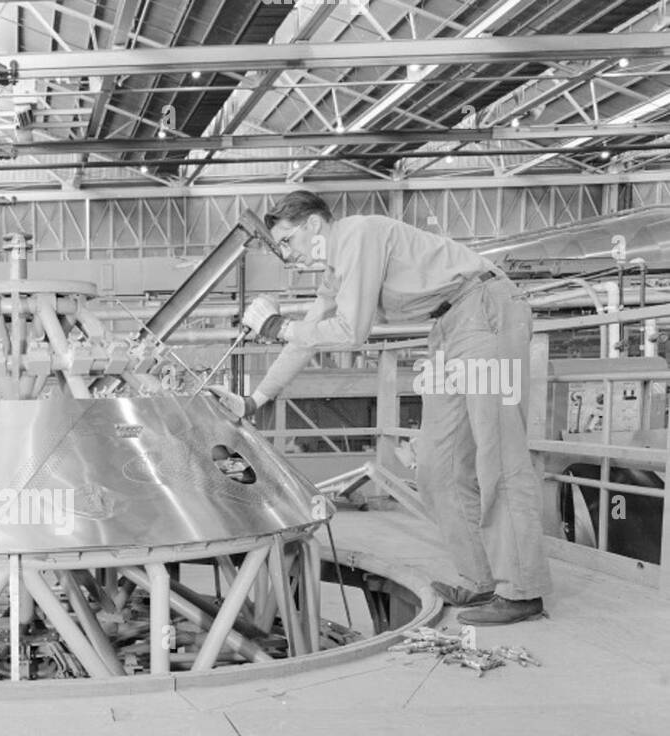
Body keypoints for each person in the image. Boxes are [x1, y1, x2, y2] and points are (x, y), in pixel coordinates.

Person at [211, 190, 550, 625]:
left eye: (288, 242)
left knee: (497, 455)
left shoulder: (357, 235)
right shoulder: (335, 273)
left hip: (483, 312)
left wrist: (276, 325)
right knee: (437, 467)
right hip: (448, 328)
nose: (288, 256)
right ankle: (483, 581)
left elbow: (351, 331)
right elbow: (304, 340)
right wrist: (255, 400)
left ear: (314, 225)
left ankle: (521, 590)